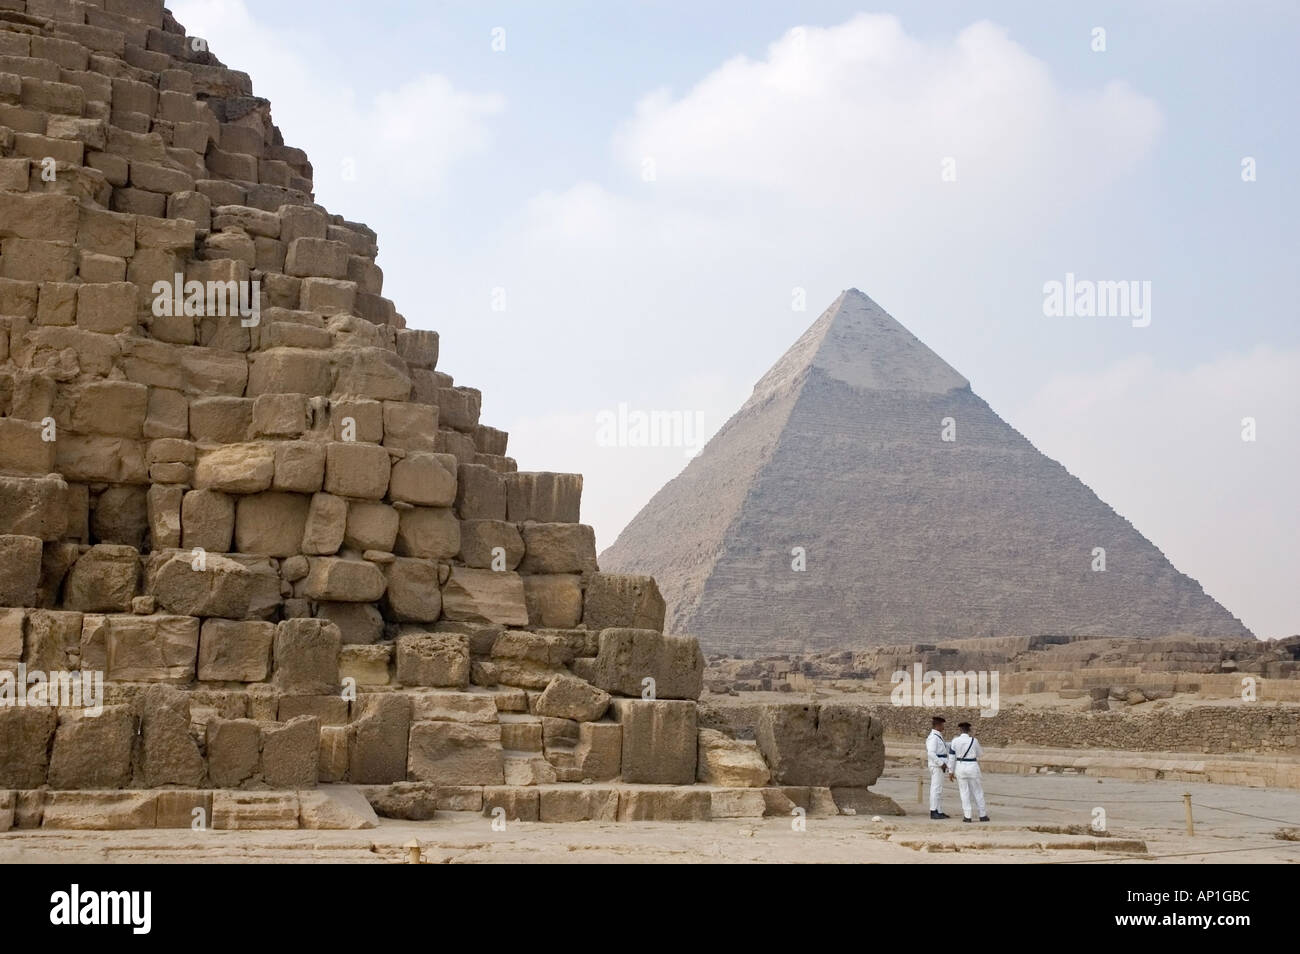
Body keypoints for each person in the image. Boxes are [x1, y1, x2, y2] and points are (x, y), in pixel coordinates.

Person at [949, 721, 989, 822]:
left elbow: (951, 757)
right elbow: (980, 754)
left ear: (960, 730)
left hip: (960, 767)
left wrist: (950, 771)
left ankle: (967, 816)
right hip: (972, 767)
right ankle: (982, 815)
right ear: (969, 730)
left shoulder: (955, 741)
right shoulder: (974, 741)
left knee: (964, 792)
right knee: (977, 791)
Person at [925, 716, 953, 819]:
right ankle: (933, 811)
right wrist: (941, 763)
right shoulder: (933, 737)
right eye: (942, 725)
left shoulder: (937, 736)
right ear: (938, 725)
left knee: (939, 789)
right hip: (937, 766)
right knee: (935, 788)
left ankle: (939, 810)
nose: (943, 727)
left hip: (939, 765)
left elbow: (945, 747)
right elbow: (931, 753)